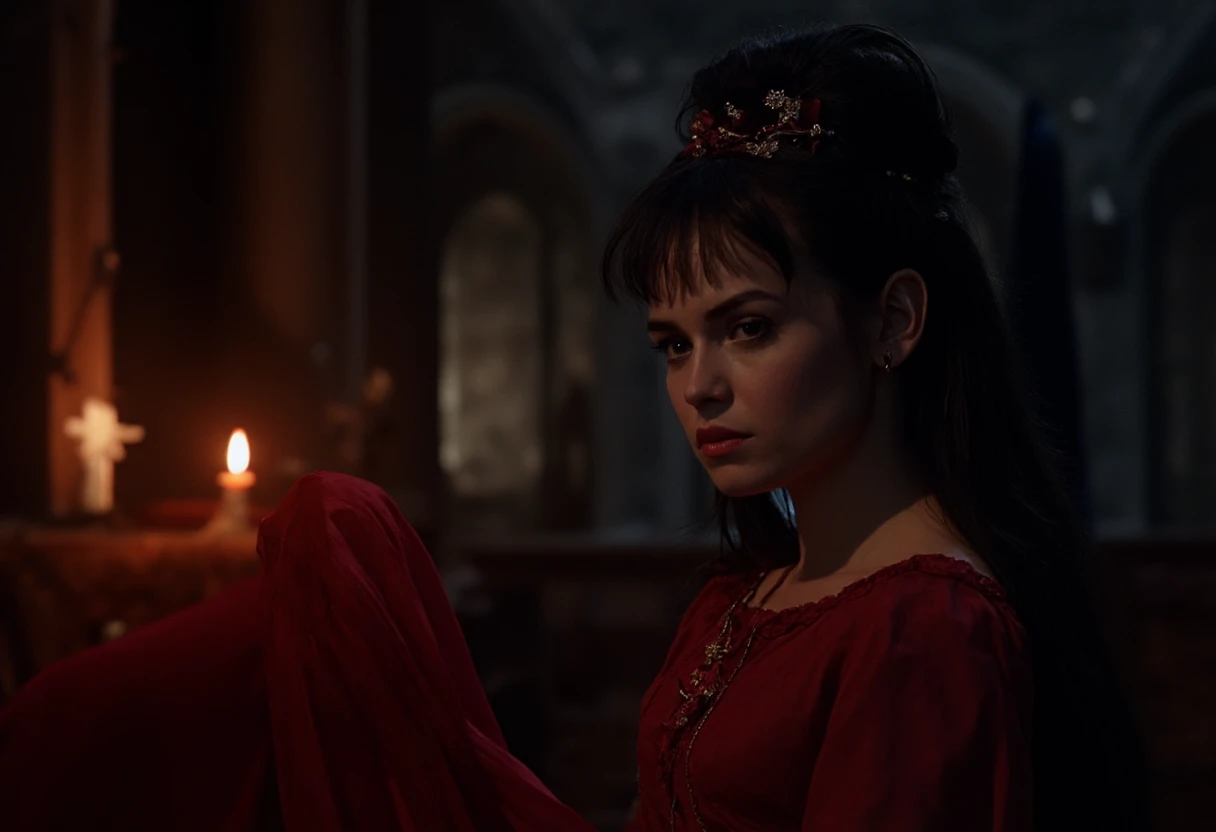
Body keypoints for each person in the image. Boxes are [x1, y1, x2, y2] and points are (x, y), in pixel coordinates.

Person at [0, 22, 1150, 832]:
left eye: (747, 329)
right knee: (300, 600)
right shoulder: (748, 591)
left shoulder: (923, 630)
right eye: (672, 341)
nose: (699, 384)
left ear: (893, 319)